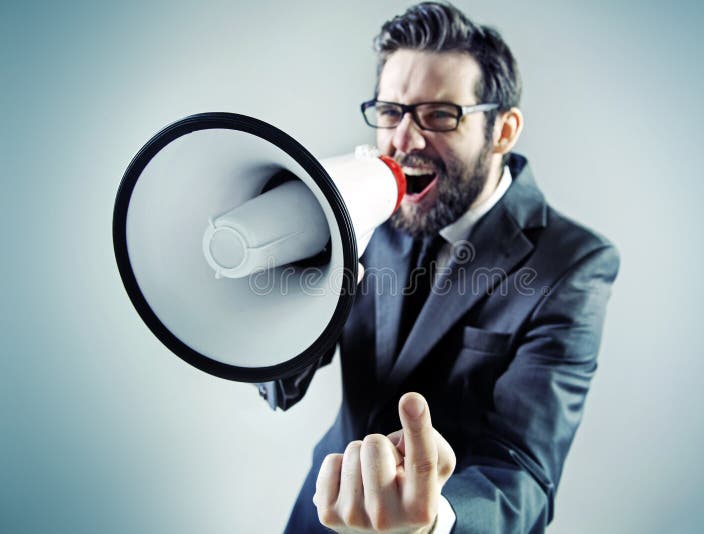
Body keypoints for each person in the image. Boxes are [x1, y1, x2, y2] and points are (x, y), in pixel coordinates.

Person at [257, 2, 620, 532]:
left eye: (439, 115)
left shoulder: (572, 263)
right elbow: (284, 385)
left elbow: (523, 472)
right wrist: (291, 285)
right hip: (322, 517)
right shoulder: (365, 206)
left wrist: (433, 522)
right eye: (390, 111)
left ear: (503, 130)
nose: (404, 140)